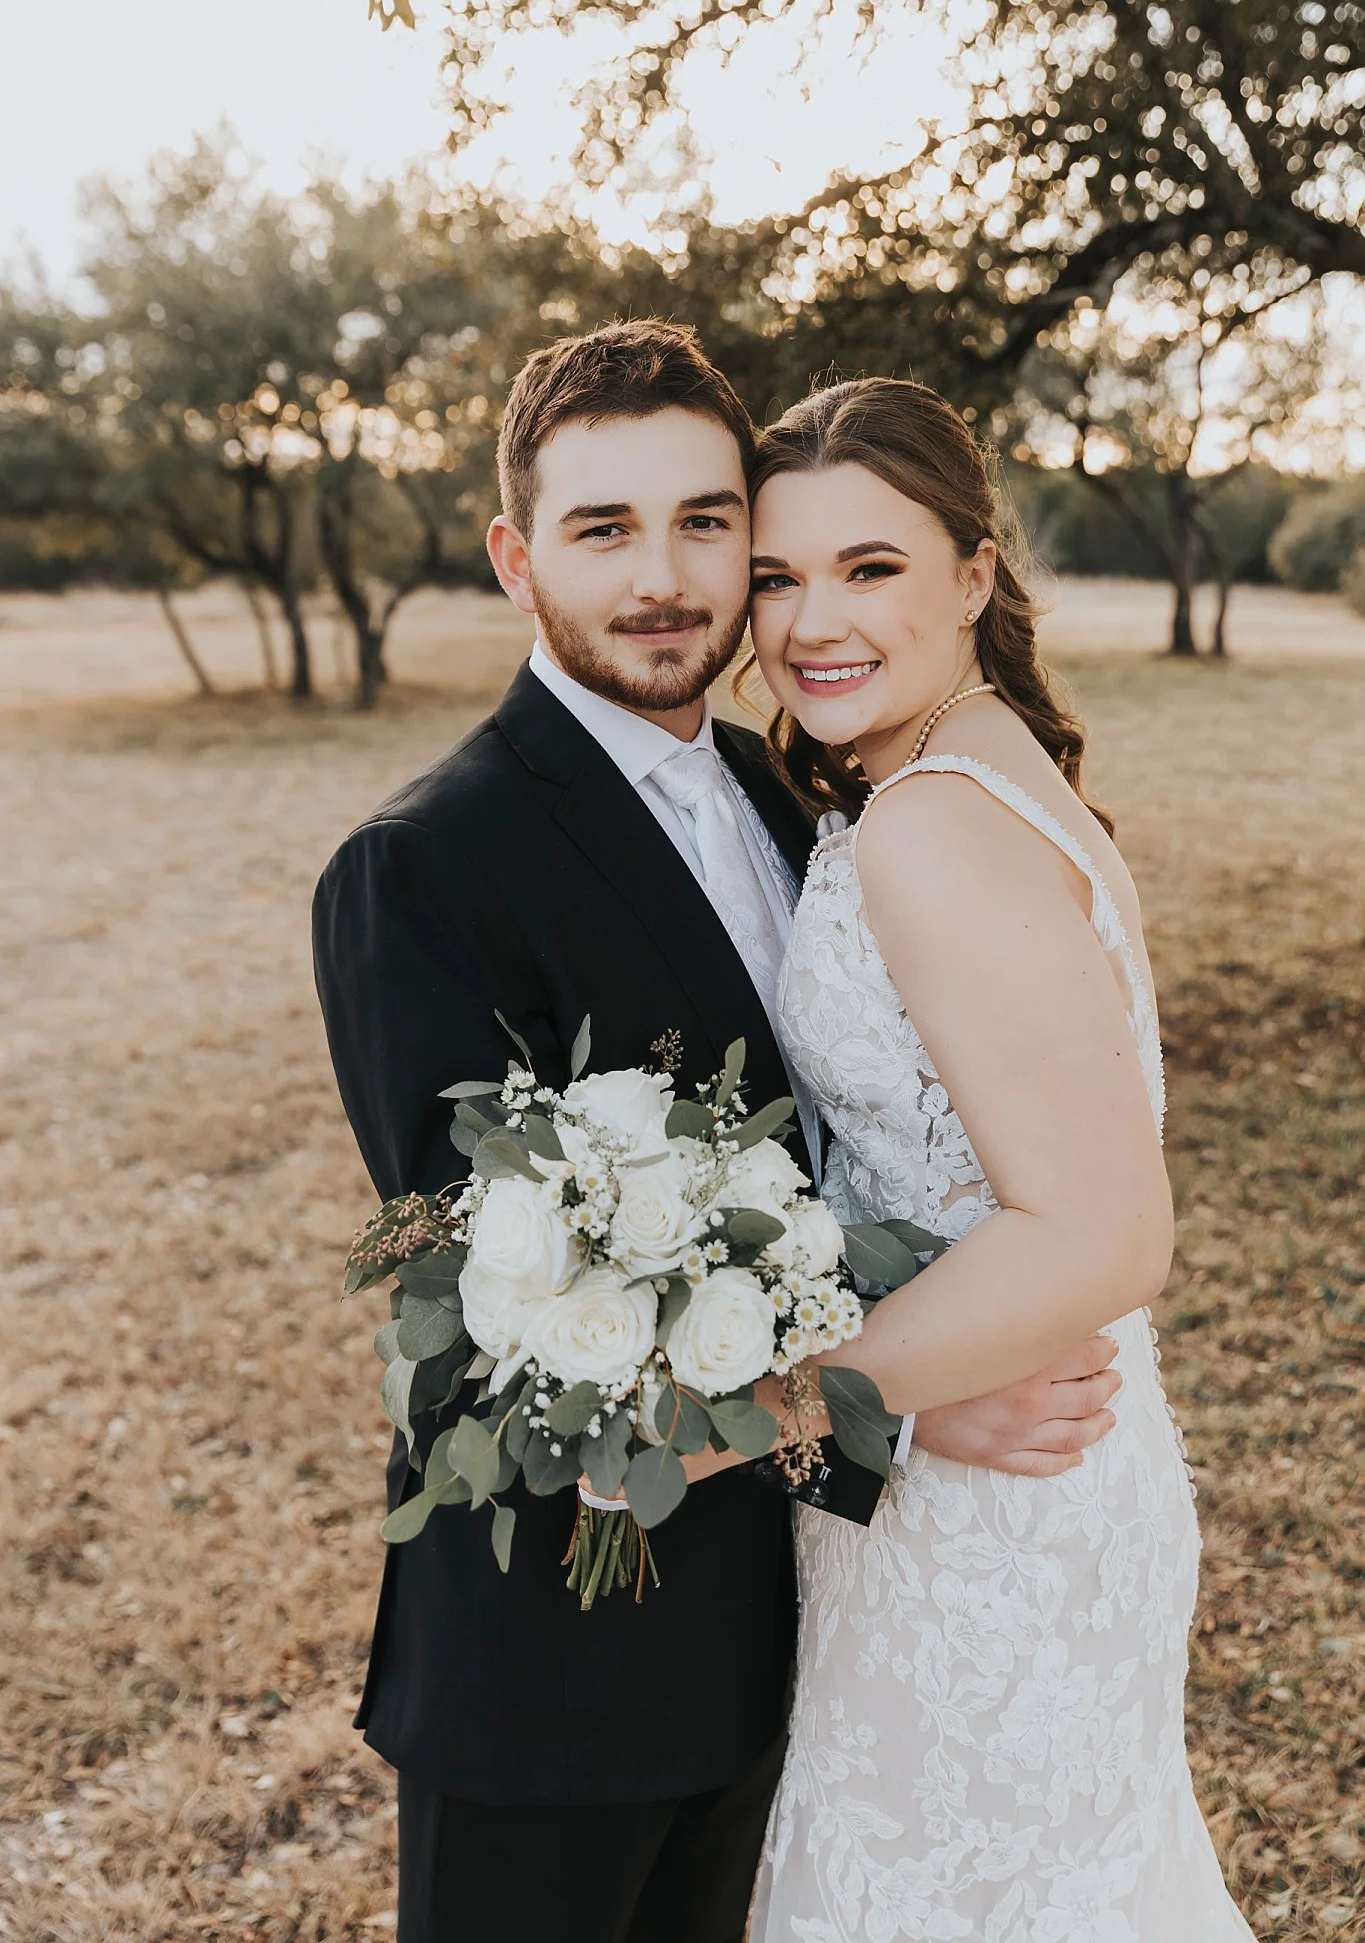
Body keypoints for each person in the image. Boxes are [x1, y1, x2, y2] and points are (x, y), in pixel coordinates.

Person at [311, 322, 1120, 1943]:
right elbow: (500, 1335)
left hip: (789, 1648)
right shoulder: (421, 872)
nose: (666, 578)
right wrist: (894, 1411)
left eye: (704, 522)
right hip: (555, 1664)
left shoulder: (792, 786)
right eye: (605, 530)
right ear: (514, 557)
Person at [740, 376, 1256, 1940]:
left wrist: (779, 1410)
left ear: (975, 572)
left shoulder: (932, 823)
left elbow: (1103, 1236)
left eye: (870, 567)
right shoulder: (965, 769)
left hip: (993, 1496)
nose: (811, 619)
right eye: (776, 575)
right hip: (1011, 1457)